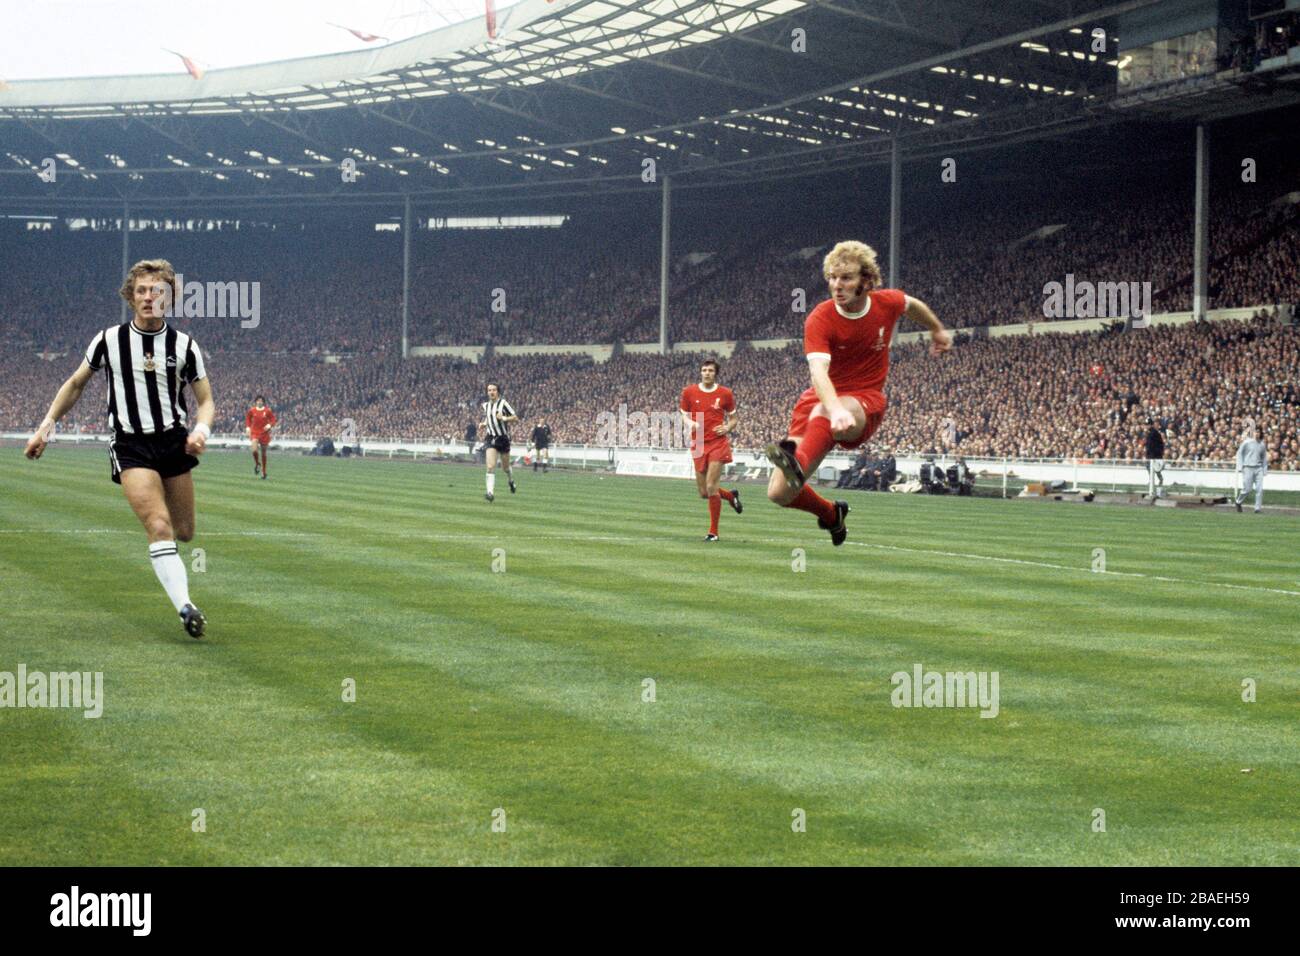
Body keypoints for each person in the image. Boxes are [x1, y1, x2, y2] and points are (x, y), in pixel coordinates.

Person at [24, 258, 214, 638]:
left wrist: (202, 431)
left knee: (186, 531)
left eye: (157, 291)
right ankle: (186, 607)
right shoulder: (108, 340)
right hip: (131, 445)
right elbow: (76, 383)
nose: (148, 297)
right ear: (130, 296)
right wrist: (47, 425)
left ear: (169, 297)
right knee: (159, 526)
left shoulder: (184, 345)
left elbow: (206, 400)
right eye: (142, 290)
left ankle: (173, 575)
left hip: (174, 443)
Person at [765, 241, 951, 544]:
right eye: (832, 278)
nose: (837, 286)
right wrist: (833, 407)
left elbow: (912, 305)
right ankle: (830, 514)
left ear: (866, 281)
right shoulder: (819, 318)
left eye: (847, 278)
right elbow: (818, 372)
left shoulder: (886, 303)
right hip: (820, 400)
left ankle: (797, 462)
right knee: (778, 493)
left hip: (864, 399)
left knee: (823, 413)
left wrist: (937, 329)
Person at [680, 358, 742, 541]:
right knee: (703, 493)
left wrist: (727, 428)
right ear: (700, 372)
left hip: (717, 442)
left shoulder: (725, 393)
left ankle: (713, 532)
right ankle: (731, 496)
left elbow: (733, 419)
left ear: (716, 374)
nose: (707, 373)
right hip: (698, 442)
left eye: (711, 370)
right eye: (704, 370)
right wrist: (689, 421)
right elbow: (683, 413)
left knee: (711, 486)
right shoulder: (689, 392)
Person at [480, 382, 518, 502]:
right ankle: (490, 493)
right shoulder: (485, 405)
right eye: (489, 390)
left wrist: (504, 418)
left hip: (503, 439)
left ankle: (511, 481)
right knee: (490, 466)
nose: (491, 392)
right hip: (491, 438)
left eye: (494, 390)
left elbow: (515, 417)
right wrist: (484, 423)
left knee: (505, 468)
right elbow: (489, 417)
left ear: (498, 392)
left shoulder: (503, 403)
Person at [1234, 425, 1268, 513]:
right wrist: (1240, 467)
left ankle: (1257, 508)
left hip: (1258, 468)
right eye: (1255, 432)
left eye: (1259, 432)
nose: (1257, 433)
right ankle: (1238, 501)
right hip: (1247, 467)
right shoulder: (1246, 442)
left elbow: (1264, 457)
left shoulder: (1262, 444)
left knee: (1259, 489)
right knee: (1247, 489)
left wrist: (1264, 469)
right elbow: (1239, 454)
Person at [245, 395, 277, 479]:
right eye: (258, 401)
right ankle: (257, 464)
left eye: (261, 401)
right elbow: (248, 419)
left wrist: (269, 425)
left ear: (263, 402)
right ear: (256, 402)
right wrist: (248, 428)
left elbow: (273, 419)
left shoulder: (267, 411)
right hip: (255, 432)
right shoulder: (252, 410)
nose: (260, 402)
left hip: (264, 433)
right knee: (254, 450)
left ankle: (264, 472)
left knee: (263, 453)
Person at [1144, 420, 1165, 498]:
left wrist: (1151, 456)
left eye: (1147, 424)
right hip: (1153, 457)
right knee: (1153, 471)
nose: (1146, 426)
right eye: (1146, 424)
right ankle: (1153, 488)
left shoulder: (1153, 433)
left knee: (1156, 472)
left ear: (1151, 425)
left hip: (1154, 458)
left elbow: (1152, 446)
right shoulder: (1151, 433)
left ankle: (1155, 489)